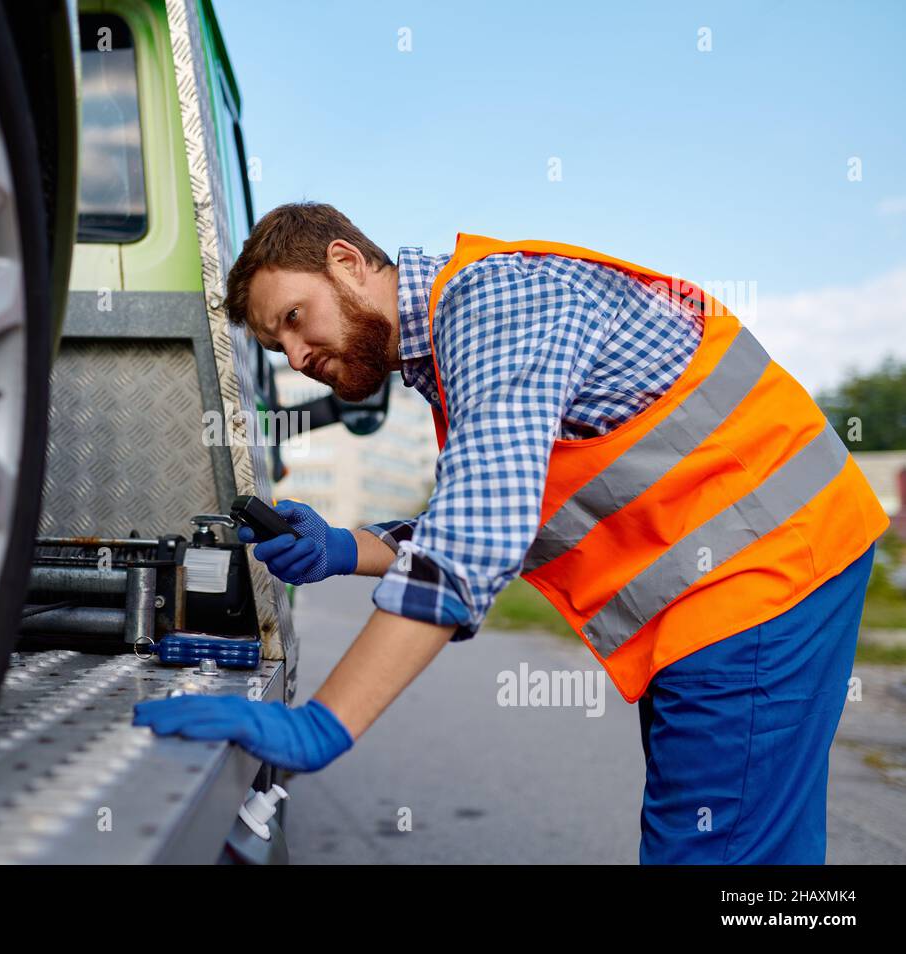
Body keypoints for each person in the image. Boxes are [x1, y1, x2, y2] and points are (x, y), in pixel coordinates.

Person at [133, 202, 888, 863]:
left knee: (714, 849)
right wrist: (344, 546)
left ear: (346, 262)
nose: (297, 359)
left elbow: (476, 538)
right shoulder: (456, 352)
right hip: (759, 566)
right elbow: (514, 509)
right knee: (753, 840)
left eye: (295, 319)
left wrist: (320, 726)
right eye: (277, 349)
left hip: (762, 572)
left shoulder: (494, 304)